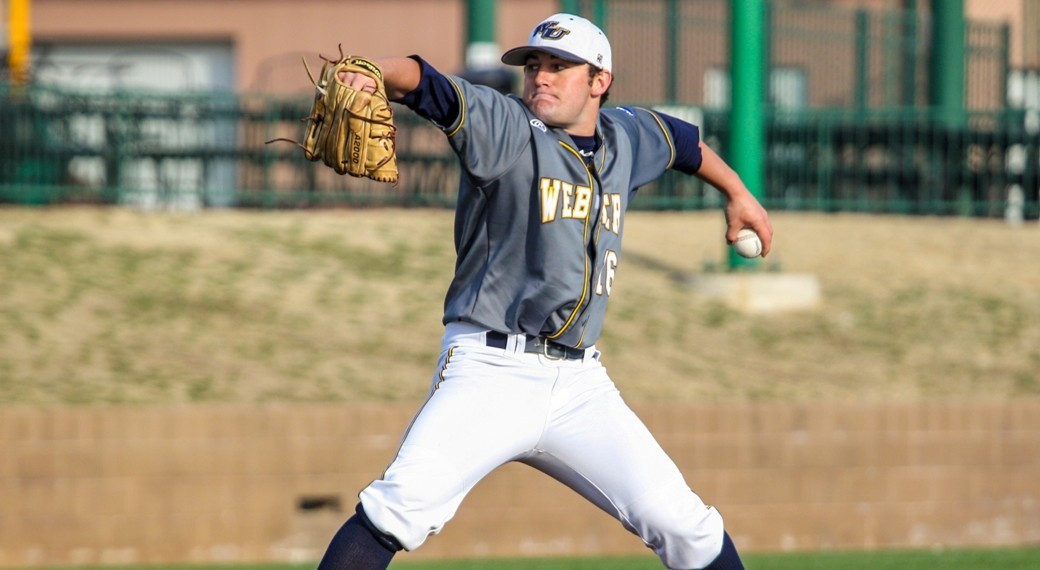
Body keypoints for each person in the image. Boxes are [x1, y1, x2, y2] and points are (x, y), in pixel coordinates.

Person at [317, 13, 772, 570]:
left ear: (600, 80)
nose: (542, 77)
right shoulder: (506, 127)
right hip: (490, 370)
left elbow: (683, 143)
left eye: (561, 66)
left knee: (686, 526)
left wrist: (738, 193)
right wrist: (372, 71)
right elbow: (426, 83)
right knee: (397, 509)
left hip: (581, 385)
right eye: (534, 65)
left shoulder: (625, 137)